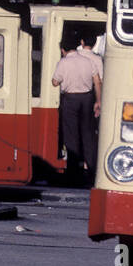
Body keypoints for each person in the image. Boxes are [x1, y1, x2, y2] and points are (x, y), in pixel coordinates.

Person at [51, 31, 102, 186]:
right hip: (87, 99)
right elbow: (97, 81)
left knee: (71, 137)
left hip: (70, 100)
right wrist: (98, 100)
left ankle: (73, 174)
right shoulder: (88, 61)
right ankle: (92, 173)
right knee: (88, 136)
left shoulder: (63, 62)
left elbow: (54, 82)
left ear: (62, 50)